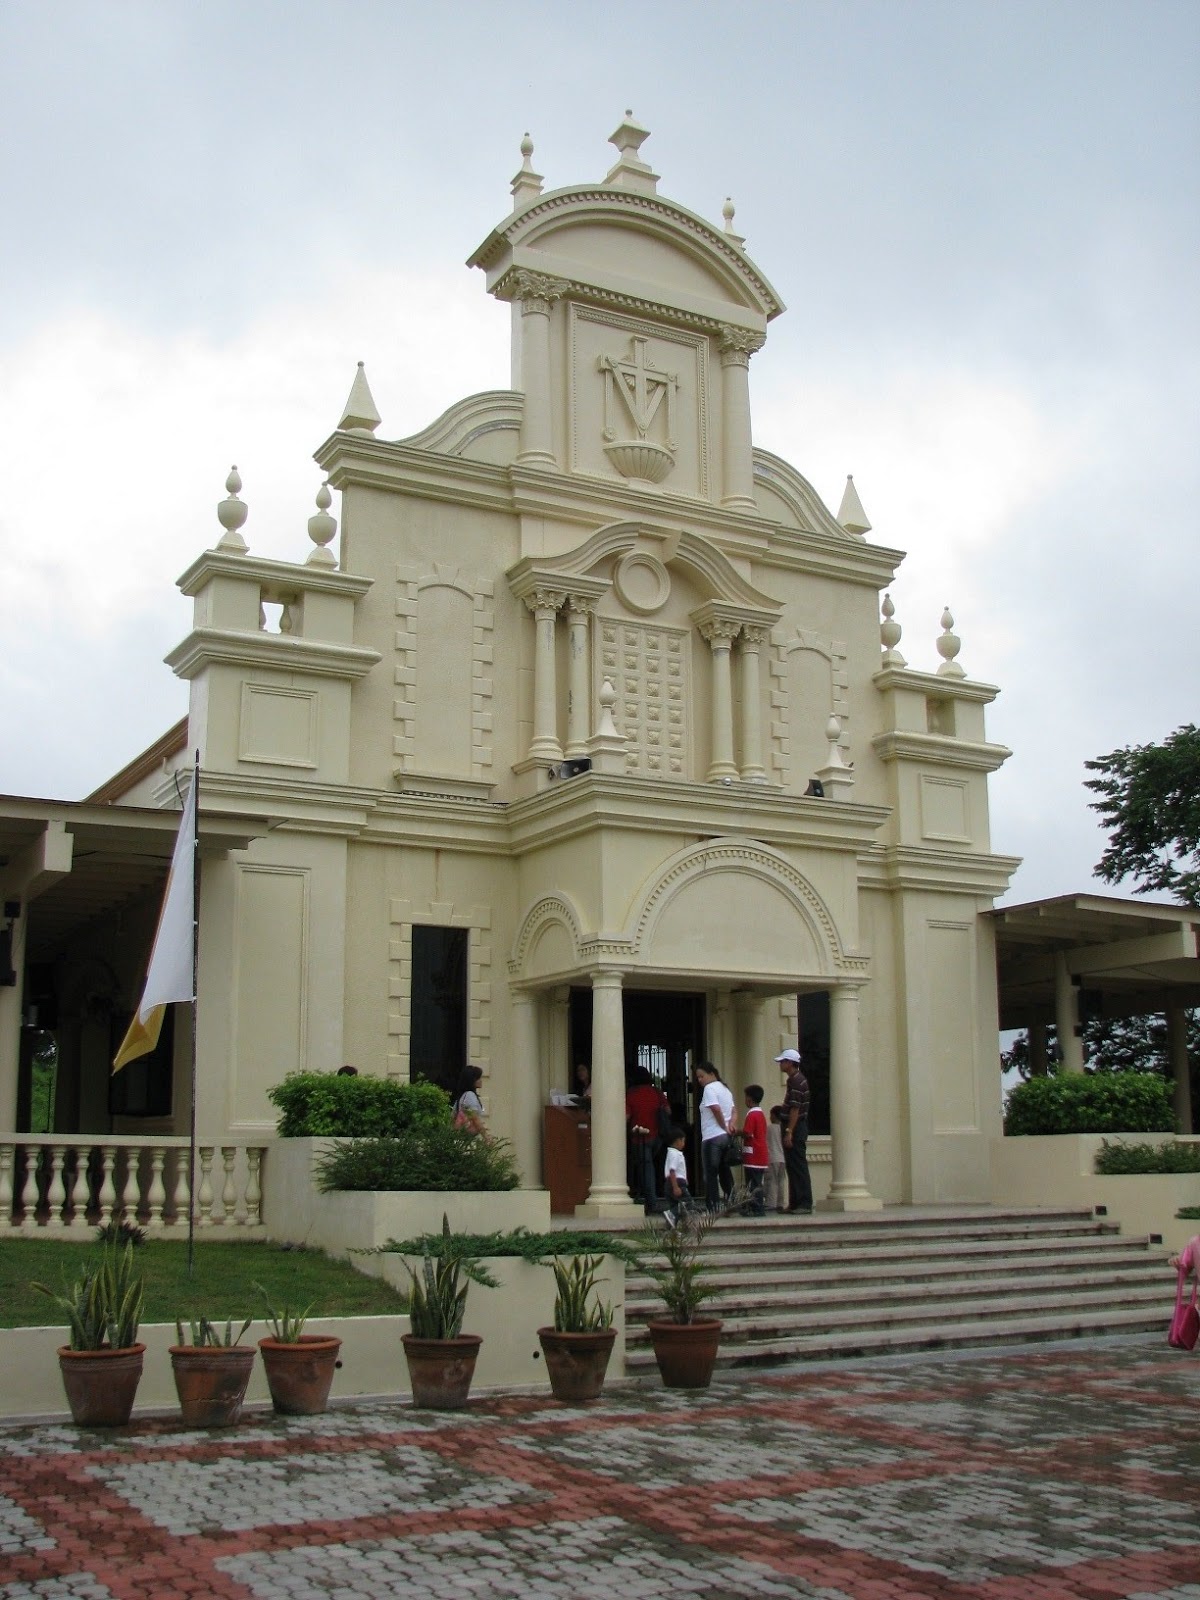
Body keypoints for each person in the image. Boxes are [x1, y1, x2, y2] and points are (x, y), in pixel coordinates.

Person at [694, 1061, 736, 1211]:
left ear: (712, 1074)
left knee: (711, 1173)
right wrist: (730, 1125)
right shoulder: (725, 1089)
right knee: (724, 1171)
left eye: (701, 1076)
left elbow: (715, 1108)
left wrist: (722, 1125)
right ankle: (732, 1201)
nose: (700, 1080)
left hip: (712, 1136)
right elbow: (733, 1111)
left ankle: (713, 1205)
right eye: (698, 1077)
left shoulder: (709, 1089)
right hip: (725, 1137)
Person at [626, 1065, 669, 1208]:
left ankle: (651, 1202)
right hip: (657, 1136)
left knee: (646, 1169)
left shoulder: (631, 1094)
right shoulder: (656, 1092)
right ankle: (660, 1195)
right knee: (655, 1166)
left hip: (639, 1137)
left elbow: (626, 1116)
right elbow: (668, 1110)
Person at [776, 1048, 813, 1214]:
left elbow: (795, 1109)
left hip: (796, 1127)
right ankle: (795, 1202)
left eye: (783, 1061)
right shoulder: (795, 1080)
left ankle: (803, 1203)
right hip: (795, 1126)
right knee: (792, 1166)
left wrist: (789, 1130)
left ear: (790, 1063)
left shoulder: (797, 1081)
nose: (781, 1064)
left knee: (797, 1166)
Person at [740, 1085, 769, 1216]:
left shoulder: (752, 1114)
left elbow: (747, 1132)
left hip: (753, 1155)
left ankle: (757, 1208)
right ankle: (755, 1207)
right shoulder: (761, 1114)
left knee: (753, 1183)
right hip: (760, 1154)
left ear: (750, 1099)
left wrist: (736, 1132)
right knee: (756, 1182)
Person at [662, 1126, 696, 1226]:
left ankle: (671, 1226)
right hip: (676, 1182)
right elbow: (672, 1170)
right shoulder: (675, 1154)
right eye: (683, 1141)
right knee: (688, 1203)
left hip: (672, 1182)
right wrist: (676, 1186)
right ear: (678, 1141)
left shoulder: (671, 1153)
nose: (684, 1144)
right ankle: (671, 1213)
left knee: (674, 1204)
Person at [452, 1065, 486, 1135]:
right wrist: (486, 1136)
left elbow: (452, 1117)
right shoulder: (470, 1095)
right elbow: (474, 1118)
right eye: (478, 1078)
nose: (480, 1080)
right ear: (471, 1080)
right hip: (470, 1138)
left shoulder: (461, 1097)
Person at [766, 1105, 787, 1214]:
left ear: (774, 1116)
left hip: (772, 1158)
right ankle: (780, 1203)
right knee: (781, 1181)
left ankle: (771, 1203)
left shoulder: (769, 1128)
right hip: (782, 1158)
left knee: (772, 1181)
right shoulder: (783, 1129)